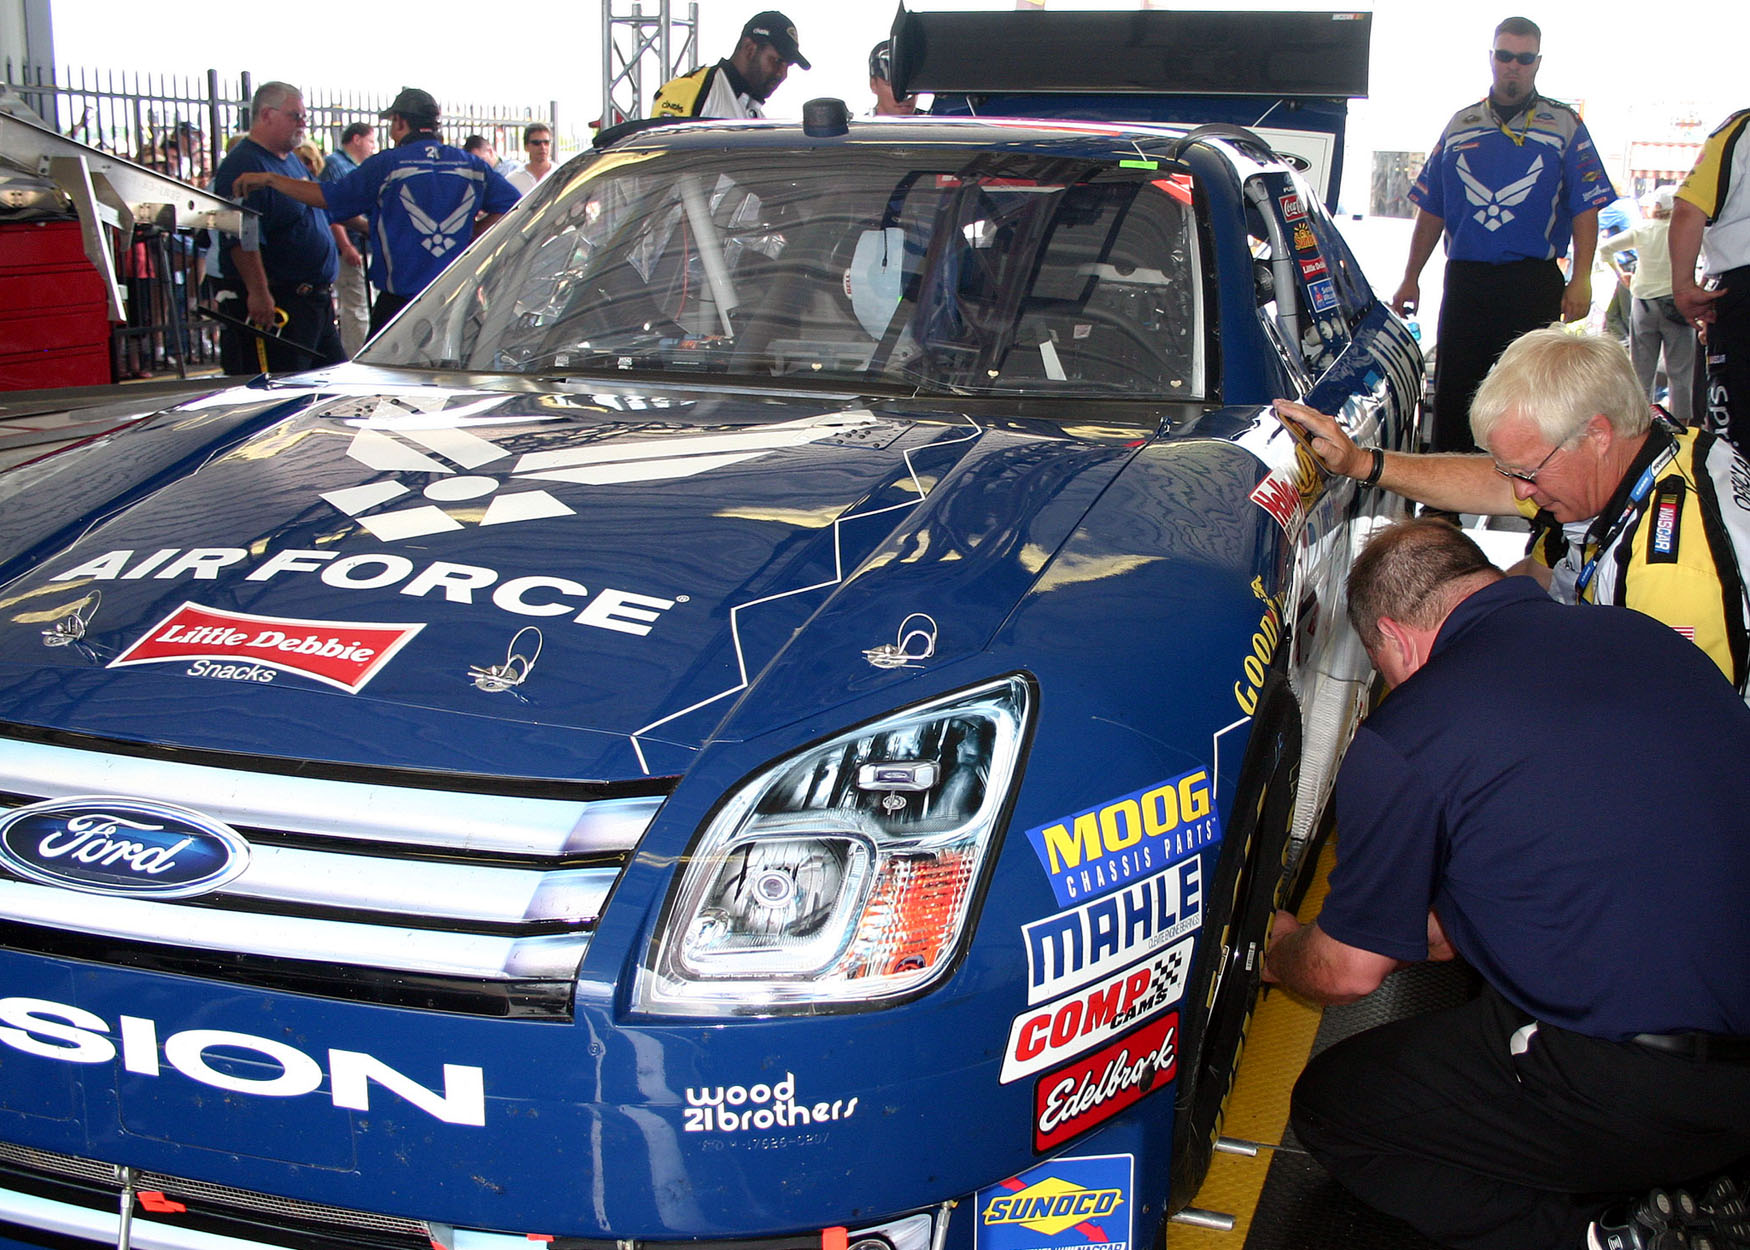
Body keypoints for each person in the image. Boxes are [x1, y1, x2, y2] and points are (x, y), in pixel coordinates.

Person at [1264, 517, 1750, 1250]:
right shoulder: (1644, 637)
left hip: (1649, 1090)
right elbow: (1544, 866)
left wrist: (1280, 951)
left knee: (1338, 1107)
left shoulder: (1414, 732)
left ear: (1392, 638)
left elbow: (1348, 972)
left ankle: (1602, 1237)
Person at [1274, 327, 1750, 696]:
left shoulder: (1674, 575)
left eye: (1528, 471)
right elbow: (1494, 483)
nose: (1518, 489)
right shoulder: (1646, 441)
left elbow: (1683, 747)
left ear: (1598, 435)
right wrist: (1362, 463)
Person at [1391, 17, 1616, 453]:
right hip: (1466, 281)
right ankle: (1443, 508)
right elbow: (1432, 208)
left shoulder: (1564, 124)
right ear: (1492, 58)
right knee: (1456, 391)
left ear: (1537, 63)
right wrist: (1410, 276)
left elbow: (1586, 207)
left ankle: (1538, 501)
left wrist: (1582, 279)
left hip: (1533, 281)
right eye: (1505, 55)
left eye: (1524, 58)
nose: (1513, 66)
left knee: (1535, 398)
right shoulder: (1460, 125)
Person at [235, 87, 518, 336]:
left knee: (388, 386)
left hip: (402, 304)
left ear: (400, 122)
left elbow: (329, 197)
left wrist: (270, 179)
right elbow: (514, 205)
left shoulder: (388, 165)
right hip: (459, 299)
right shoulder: (471, 165)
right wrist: (473, 234)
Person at [211, 81, 344, 375]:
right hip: (283, 303)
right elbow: (241, 235)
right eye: (295, 116)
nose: (302, 124)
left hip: (313, 304)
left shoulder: (290, 162)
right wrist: (258, 292)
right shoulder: (245, 164)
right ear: (267, 115)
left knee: (333, 386)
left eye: (304, 117)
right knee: (286, 389)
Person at [1672, 108, 1750, 455]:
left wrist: (1685, 288)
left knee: (1736, 448)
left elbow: (1689, 208)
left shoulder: (1741, 130)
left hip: (1742, 292)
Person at [1600, 186, 1697, 426]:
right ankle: (1680, 424)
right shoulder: (1683, 231)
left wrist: (1621, 273)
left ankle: (1641, 424)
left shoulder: (1642, 229)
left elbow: (1605, 249)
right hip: (1676, 305)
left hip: (1643, 304)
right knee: (1680, 372)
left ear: (1655, 208)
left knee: (1641, 370)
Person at [652, 10, 809, 121]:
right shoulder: (693, 89)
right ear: (749, 49)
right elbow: (660, 161)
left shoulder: (754, 112)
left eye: (787, 66)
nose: (782, 73)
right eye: (777, 61)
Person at [323, 121, 378, 356]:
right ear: (356, 139)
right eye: (371, 141)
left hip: (361, 245)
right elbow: (334, 208)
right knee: (357, 308)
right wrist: (345, 245)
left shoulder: (349, 165)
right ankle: (359, 356)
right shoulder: (336, 166)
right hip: (352, 247)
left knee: (362, 306)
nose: (373, 147)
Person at [868, 39, 917, 116]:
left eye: (911, 85)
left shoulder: (937, 124)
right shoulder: (858, 127)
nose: (905, 95)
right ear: (873, 84)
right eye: (893, 85)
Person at [505, 124, 553, 195]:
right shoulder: (512, 180)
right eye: (536, 143)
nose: (543, 147)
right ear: (526, 147)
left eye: (546, 142)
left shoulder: (562, 175)